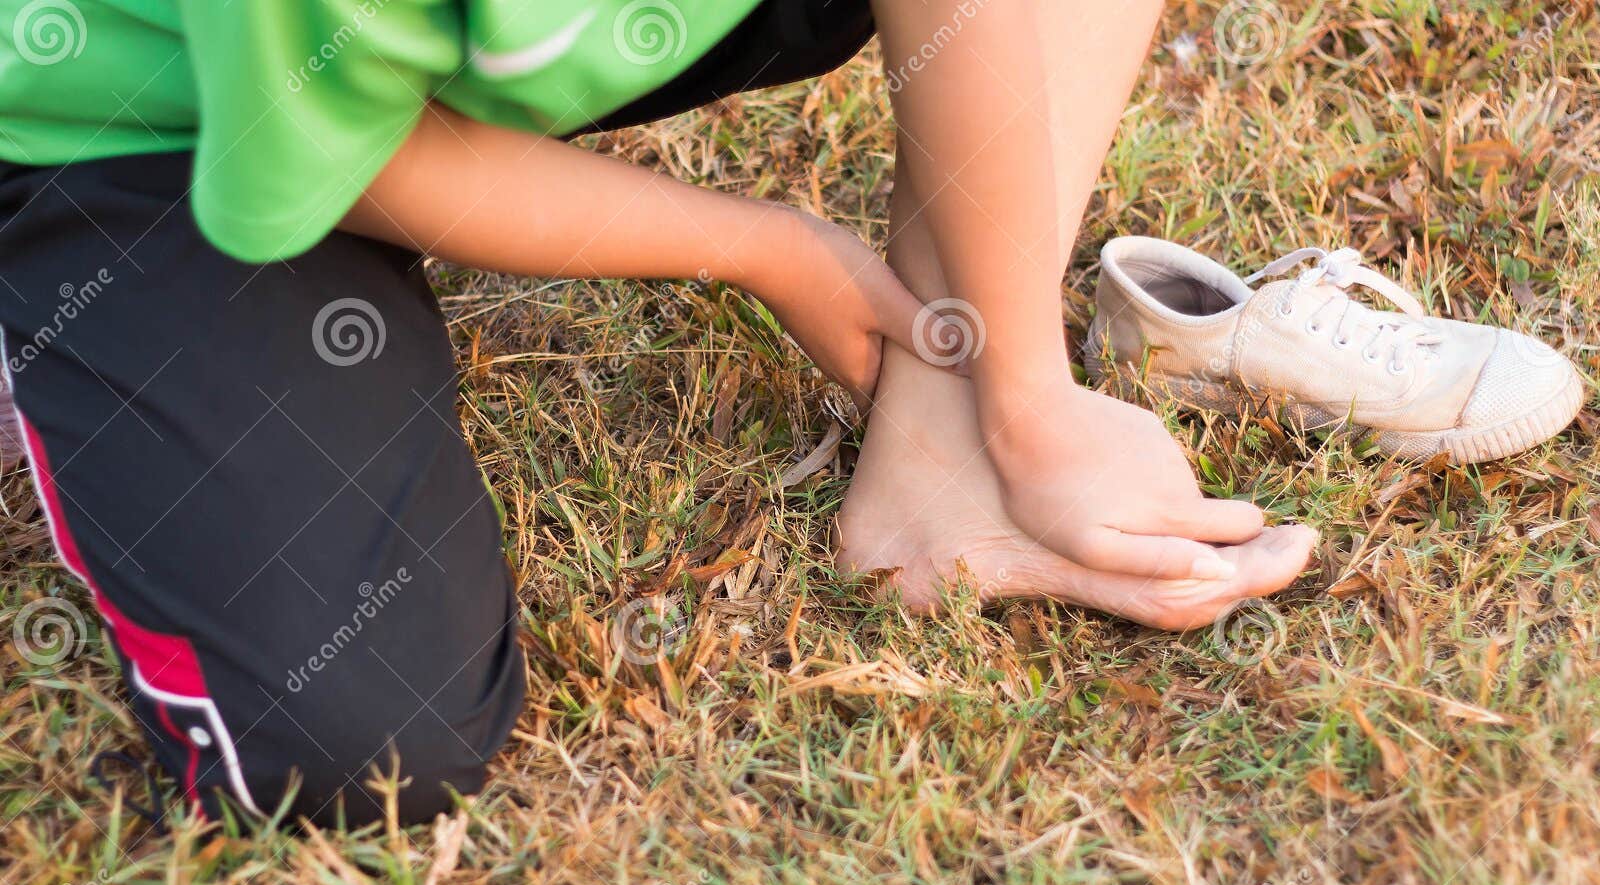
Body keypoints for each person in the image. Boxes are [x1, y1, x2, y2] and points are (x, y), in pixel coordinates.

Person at [0, 1, 1314, 826]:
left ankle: (935, 446)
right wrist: (772, 249)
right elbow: (355, 154)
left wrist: (1010, 385)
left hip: (476, 42)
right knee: (349, 739)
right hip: (153, 105)